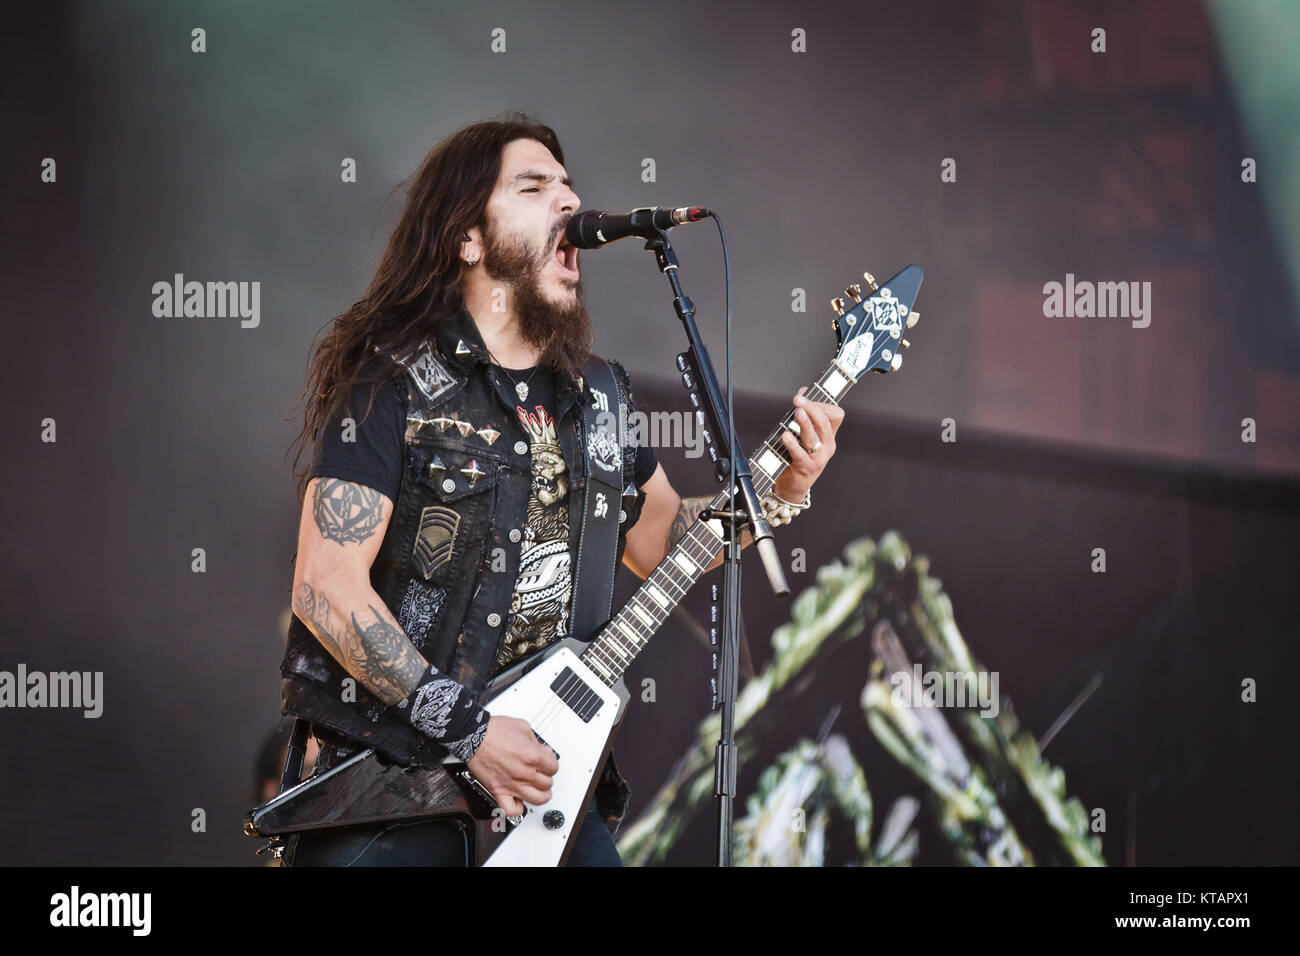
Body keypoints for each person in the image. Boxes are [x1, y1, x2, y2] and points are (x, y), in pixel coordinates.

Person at [274, 112, 844, 866]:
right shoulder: (395, 379)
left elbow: (667, 543)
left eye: (570, 188)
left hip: (538, 789)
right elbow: (325, 588)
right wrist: (470, 732)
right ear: (467, 238)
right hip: (390, 783)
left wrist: (781, 488)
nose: (569, 204)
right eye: (535, 186)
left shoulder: (599, 398)